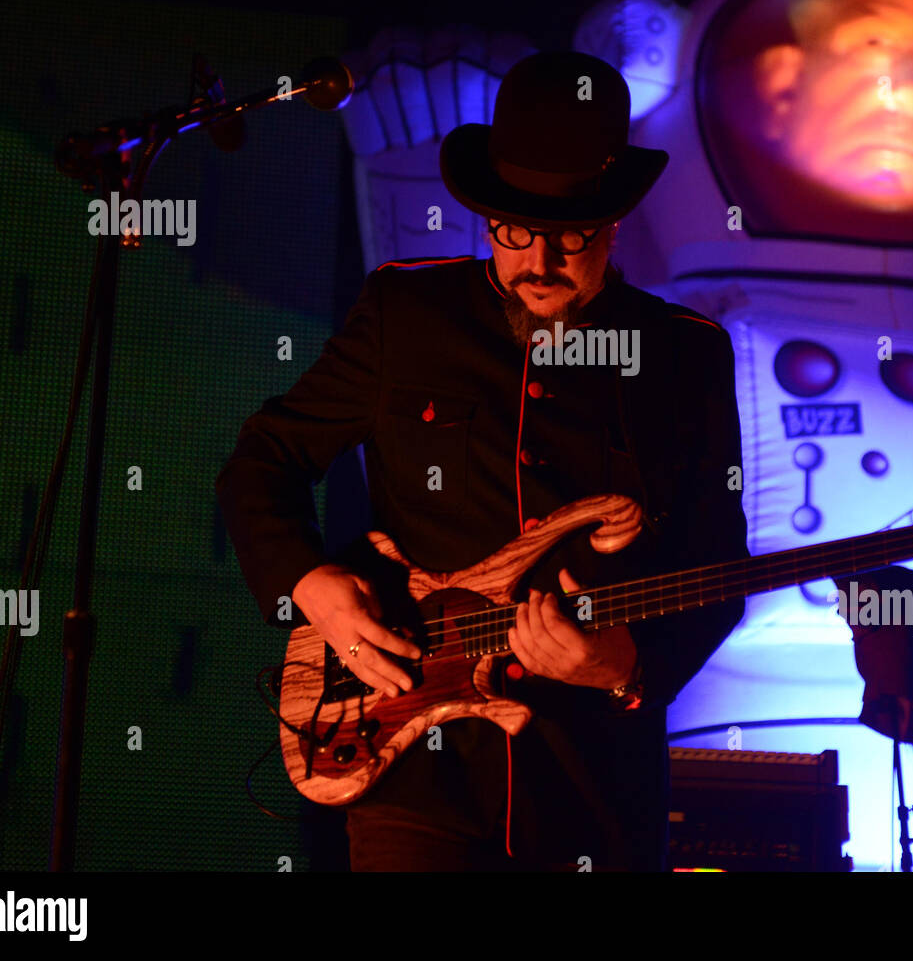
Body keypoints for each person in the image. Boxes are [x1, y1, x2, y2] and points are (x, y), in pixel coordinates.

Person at [215, 50, 748, 871]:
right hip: (418, 779)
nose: (538, 262)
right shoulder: (406, 312)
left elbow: (718, 568)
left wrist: (624, 666)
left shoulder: (685, 356)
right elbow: (266, 458)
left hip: (596, 792)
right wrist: (313, 589)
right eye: (512, 232)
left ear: (612, 222)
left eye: (569, 237)